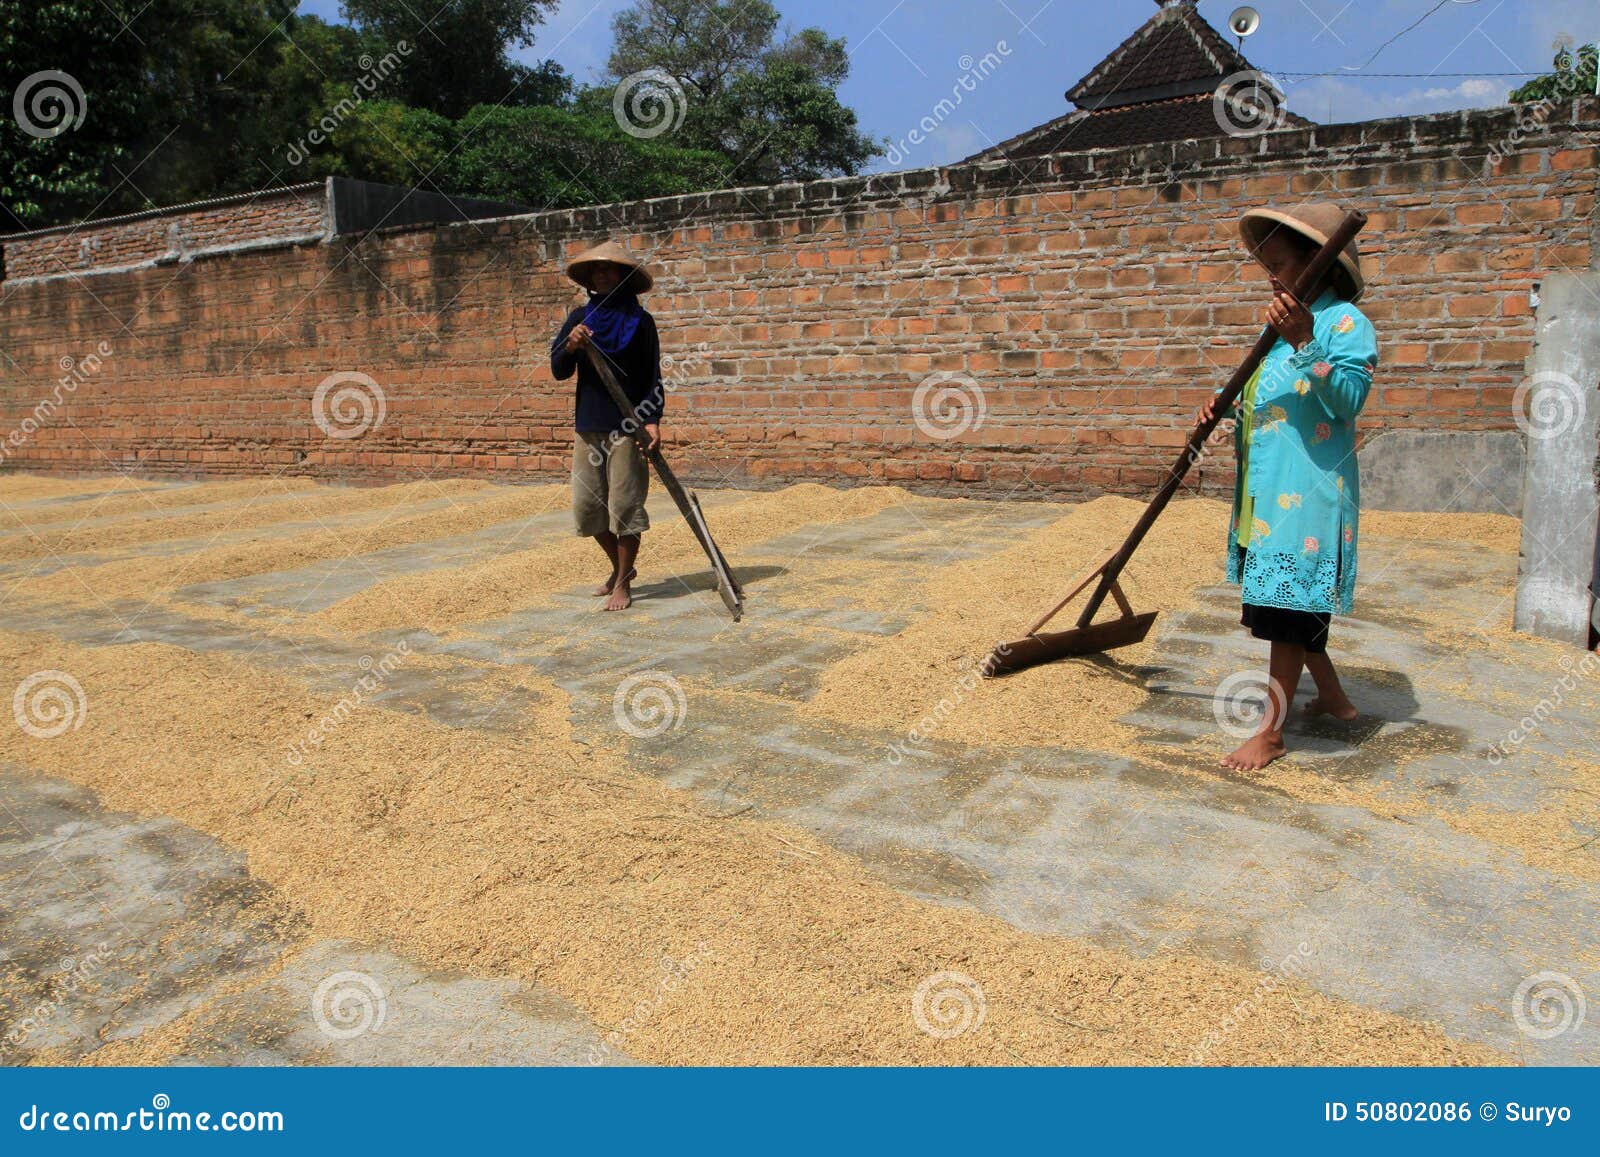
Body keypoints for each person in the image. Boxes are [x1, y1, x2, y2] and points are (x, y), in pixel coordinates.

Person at [1194, 202, 1379, 771]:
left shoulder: (1343, 324)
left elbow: (1348, 401)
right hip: (1267, 491)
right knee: (1291, 608)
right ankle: (1333, 699)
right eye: (1266, 265)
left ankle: (1271, 734)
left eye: (1279, 264)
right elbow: (1268, 404)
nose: (1270, 276)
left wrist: (1306, 342)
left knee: (1287, 610)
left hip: (1309, 494)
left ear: (1316, 263)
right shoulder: (1278, 327)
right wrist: (1224, 413)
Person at [550, 240, 665, 612]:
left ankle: (622, 584)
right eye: (596, 270)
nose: (602, 274)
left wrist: (652, 421)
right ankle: (622, 571)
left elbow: (652, 376)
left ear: (623, 276)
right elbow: (558, 369)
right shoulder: (580, 319)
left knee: (625, 506)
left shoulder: (640, 322)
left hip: (628, 427)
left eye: (609, 269)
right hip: (590, 426)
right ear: (589, 279)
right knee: (587, 509)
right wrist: (571, 345)